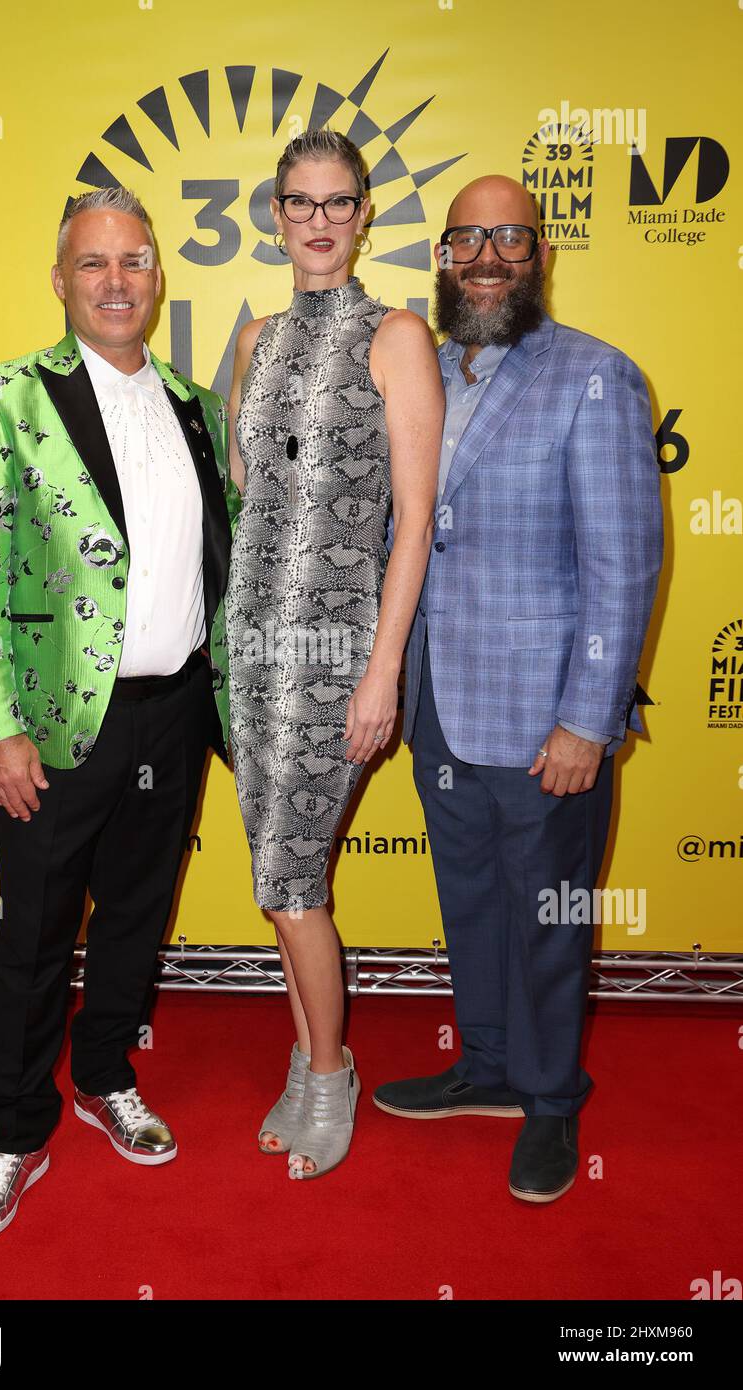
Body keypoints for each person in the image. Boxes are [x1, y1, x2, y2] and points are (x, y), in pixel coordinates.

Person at [0, 186, 240, 1240]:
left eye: (135, 260)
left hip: (175, 711)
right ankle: (14, 1131)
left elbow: (220, 565)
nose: (117, 280)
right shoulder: (1, 396)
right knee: (32, 930)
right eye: (94, 263)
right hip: (56, 724)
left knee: (137, 913)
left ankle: (106, 1072)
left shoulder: (199, 405)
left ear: (157, 278)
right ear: (60, 279)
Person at [373, 175, 663, 1203]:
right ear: (441, 256)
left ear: (540, 252)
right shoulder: (420, 373)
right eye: (465, 239)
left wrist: (586, 720)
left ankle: (548, 1099)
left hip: (545, 715)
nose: (485, 256)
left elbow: (621, 564)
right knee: (473, 899)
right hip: (440, 700)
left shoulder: (596, 376)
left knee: (547, 911)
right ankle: (487, 1062)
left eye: (507, 238)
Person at [225, 129, 444, 1180]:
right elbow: (248, 490)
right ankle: (311, 1054)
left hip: (334, 651)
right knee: (275, 879)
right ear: (274, 216)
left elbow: (413, 521)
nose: (317, 219)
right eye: (297, 202)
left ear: (362, 217)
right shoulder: (253, 340)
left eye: (337, 201)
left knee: (292, 877)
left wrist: (379, 668)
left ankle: (327, 1073)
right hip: (251, 647)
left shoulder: (394, 334)